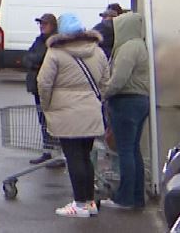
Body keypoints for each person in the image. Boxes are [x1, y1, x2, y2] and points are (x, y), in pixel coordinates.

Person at [37, 13, 111, 218]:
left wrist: (47, 105)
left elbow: (44, 83)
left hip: (65, 113)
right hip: (91, 111)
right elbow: (106, 83)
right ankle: (89, 202)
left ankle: (79, 204)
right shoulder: (97, 51)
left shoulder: (55, 52)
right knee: (85, 157)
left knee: (74, 158)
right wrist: (96, 101)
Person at [101, 11, 151, 211]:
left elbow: (119, 79)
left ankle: (124, 198)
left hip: (126, 102)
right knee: (133, 150)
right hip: (139, 101)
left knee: (125, 151)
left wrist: (104, 93)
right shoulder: (139, 45)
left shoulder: (128, 48)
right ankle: (137, 196)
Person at [24, 13, 59, 164]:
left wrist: (35, 61)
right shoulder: (39, 40)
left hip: (50, 88)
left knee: (51, 121)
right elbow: (27, 58)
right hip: (37, 86)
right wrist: (34, 62)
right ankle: (47, 151)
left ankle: (55, 153)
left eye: (45, 24)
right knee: (43, 121)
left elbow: (43, 59)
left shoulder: (55, 42)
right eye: (40, 24)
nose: (42, 26)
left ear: (53, 26)